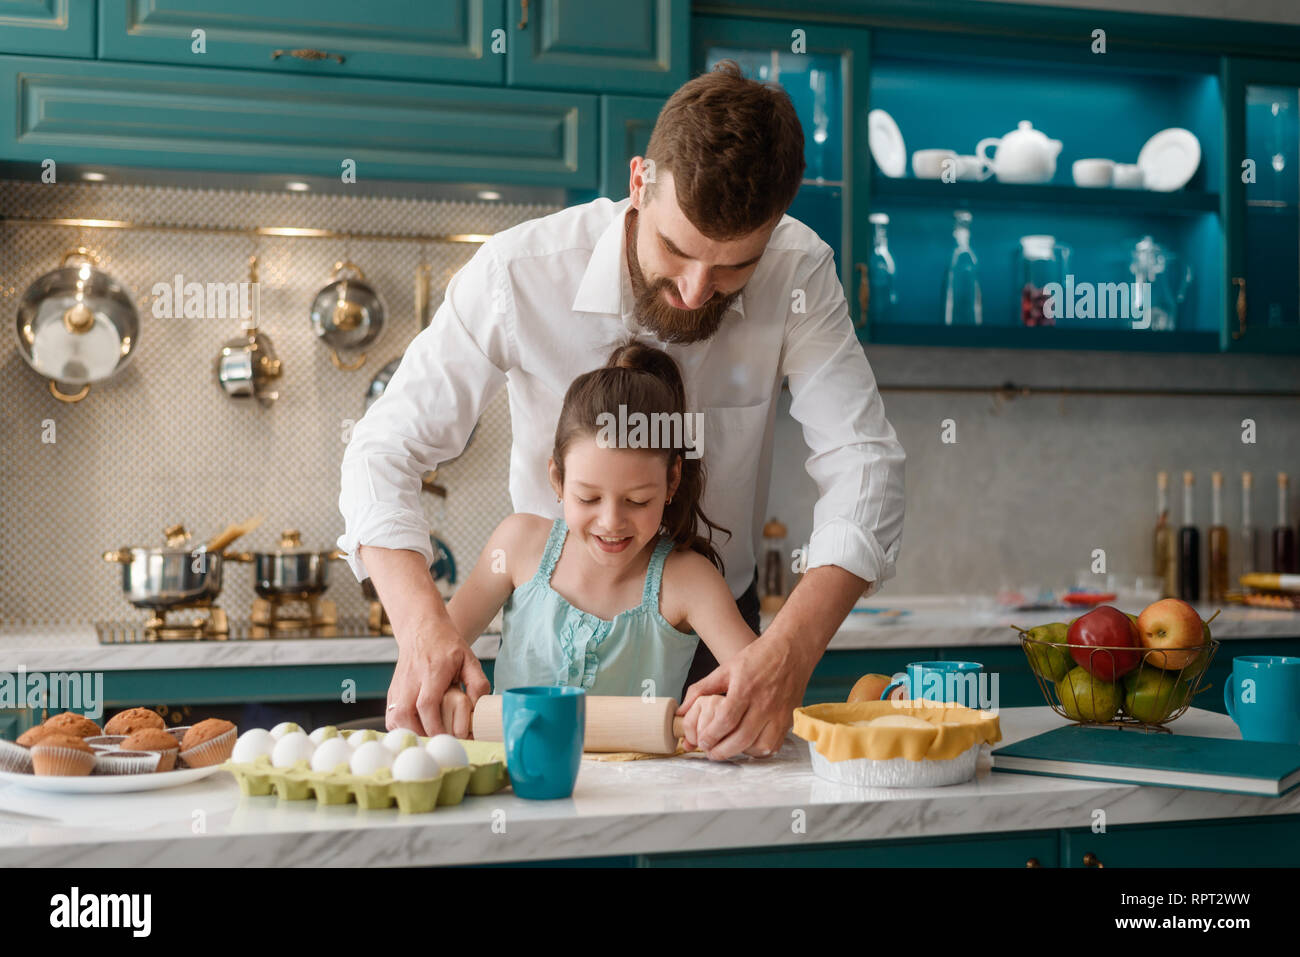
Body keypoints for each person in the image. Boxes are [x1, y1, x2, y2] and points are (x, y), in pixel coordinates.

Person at [338, 60, 905, 759]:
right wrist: (425, 627)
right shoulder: (519, 272)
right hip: (538, 654)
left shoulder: (799, 271)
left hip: (722, 661)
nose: (697, 291)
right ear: (640, 182)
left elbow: (864, 463)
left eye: (733, 269)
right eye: (676, 248)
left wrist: (792, 648)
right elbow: (383, 450)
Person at [443, 341, 754, 731]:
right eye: (588, 497)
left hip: (640, 792)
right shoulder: (517, 545)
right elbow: (436, 651)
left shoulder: (689, 581)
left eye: (638, 501)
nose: (611, 522)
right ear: (557, 478)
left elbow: (760, 687)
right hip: (514, 785)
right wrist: (449, 691)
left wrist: (723, 709)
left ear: (672, 479)